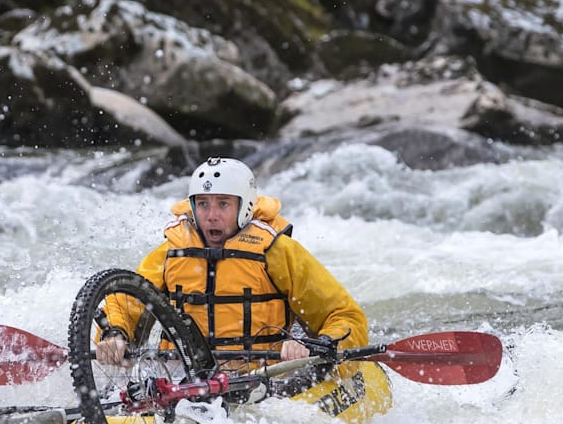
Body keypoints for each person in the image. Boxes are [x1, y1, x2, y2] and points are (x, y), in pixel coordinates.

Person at [96, 157, 370, 371]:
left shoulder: (277, 250)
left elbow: (344, 316)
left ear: (245, 206)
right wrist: (114, 334)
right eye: (202, 204)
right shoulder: (172, 252)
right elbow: (125, 302)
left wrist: (311, 346)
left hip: (265, 376)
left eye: (223, 204)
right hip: (185, 377)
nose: (211, 216)